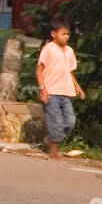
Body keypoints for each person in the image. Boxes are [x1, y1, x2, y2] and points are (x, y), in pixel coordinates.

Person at [37, 16, 83, 160]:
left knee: (70, 121)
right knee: (55, 121)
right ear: (53, 34)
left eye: (67, 34)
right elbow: (39, 70)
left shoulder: (69, 51)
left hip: (66, 92)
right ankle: (53, 151)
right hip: (51, 92)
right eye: (63, 34)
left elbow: (69, 71)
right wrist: (42, 88)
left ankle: (50, 138)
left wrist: (78, 87)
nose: (66, 37)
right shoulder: (48, 49)